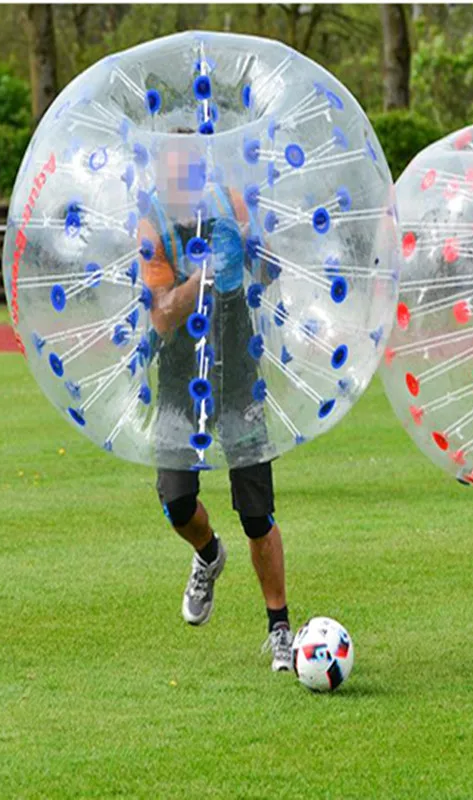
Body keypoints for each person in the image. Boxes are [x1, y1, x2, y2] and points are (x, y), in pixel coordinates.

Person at [137, 129, 293, 671]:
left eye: (191, 168)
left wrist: (256, 248)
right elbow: (159, 314)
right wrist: (202, 275)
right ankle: (208, 554)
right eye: (173, 169)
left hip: (238, 363)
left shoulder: (230, 201)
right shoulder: (153, 224)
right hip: (181, 372)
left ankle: (280, 629)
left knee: (257, 510)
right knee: (176, 501)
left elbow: (269, 275)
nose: (182, 179)